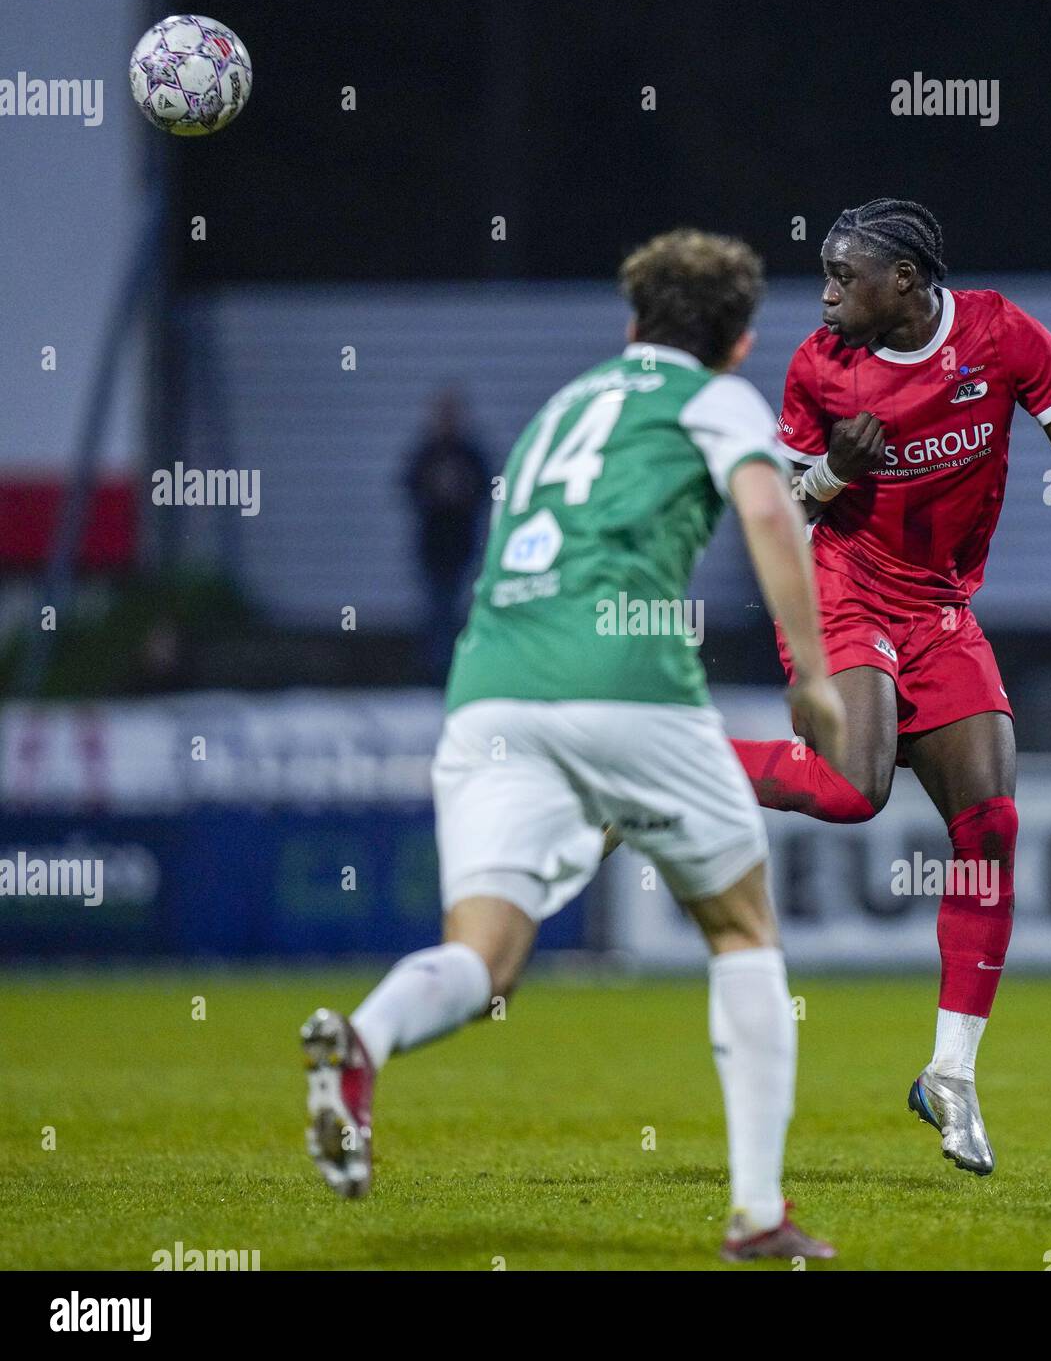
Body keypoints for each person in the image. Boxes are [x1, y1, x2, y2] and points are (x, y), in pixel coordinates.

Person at [303, 229, 847, 1262]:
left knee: (487, 957)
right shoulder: (714, 395)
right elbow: (769, 508)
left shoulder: (565, 405)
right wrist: (813, 675)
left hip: (490, 687)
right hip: (624, 677)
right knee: (740, 930)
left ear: (630, 323)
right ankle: (758, 1214)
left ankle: (365, 1037)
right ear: (737, 344)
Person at [730, 199, 1051, 1176]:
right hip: (840, 594)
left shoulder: (999, 334)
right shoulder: (817, 367)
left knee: (991, 827)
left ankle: (949, 1073)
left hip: (941, 612)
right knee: (851, 786)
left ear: (908, 283)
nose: (827, 293)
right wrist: (832, 471)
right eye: (825, 275)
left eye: (845, 276)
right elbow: (777, 514)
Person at [402, 387, 492, 683]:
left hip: (463, 544)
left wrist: (460, 494)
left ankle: (459, 668)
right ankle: (437, 671)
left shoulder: (468, 453)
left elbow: (486, 489)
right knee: (437, 610)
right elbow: (409, 489)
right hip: (434, 545)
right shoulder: (427, 452)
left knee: (464, 610)